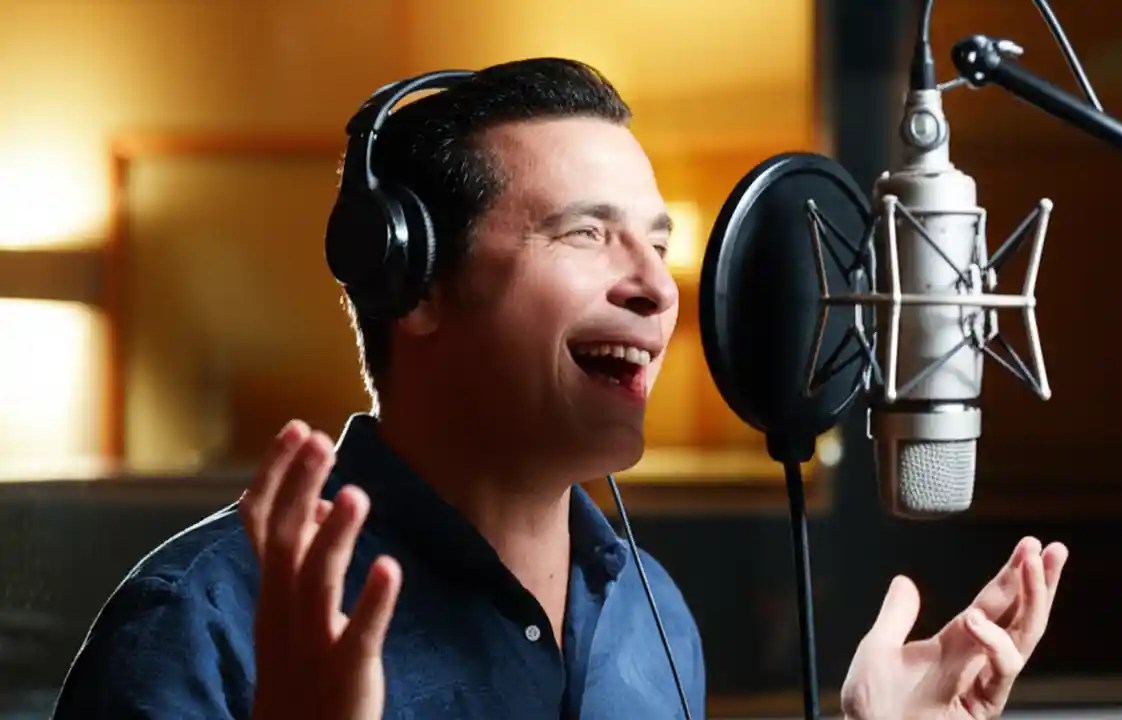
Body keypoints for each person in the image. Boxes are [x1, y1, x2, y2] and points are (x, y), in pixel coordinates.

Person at [51, 58, 1068, 720]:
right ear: (414, 282)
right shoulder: (202, 627)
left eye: (656, 242)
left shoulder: (649, 613)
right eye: (584, 233)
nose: (653, 288)